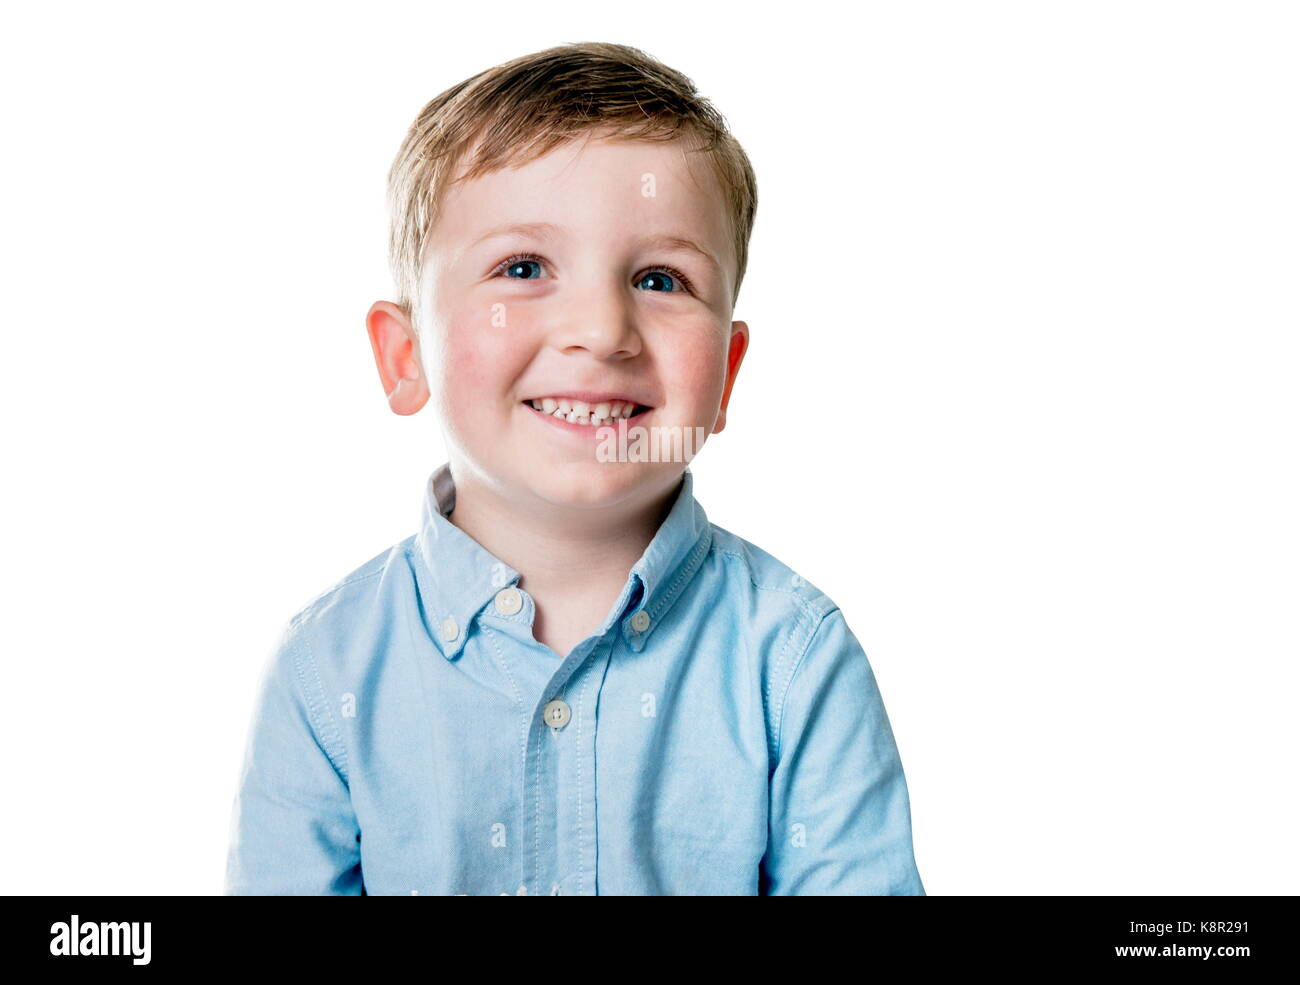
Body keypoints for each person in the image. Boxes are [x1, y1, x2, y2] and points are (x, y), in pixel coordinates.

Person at [224, 41, 924, 896]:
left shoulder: (795, 662)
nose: (601, 328)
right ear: (406, 356)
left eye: (662, 278)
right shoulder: (326, 670)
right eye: (523, 268)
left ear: (728, 376)